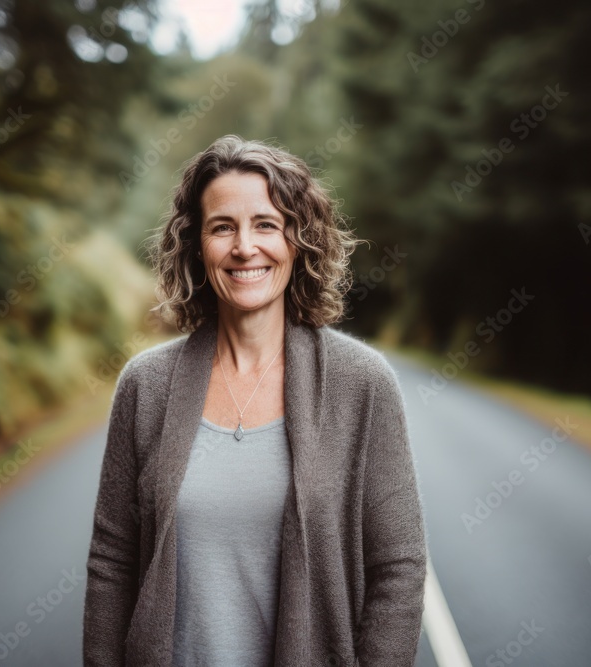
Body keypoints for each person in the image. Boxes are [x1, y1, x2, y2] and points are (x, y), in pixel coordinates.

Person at [83, 135, 426, 666]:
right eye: (224, 227)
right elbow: (112, 562)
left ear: (298, 240)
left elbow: (398, 567)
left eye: (266, 224)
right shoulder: (145, 385)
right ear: (198, 245)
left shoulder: (362, 384)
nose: (245, 247)